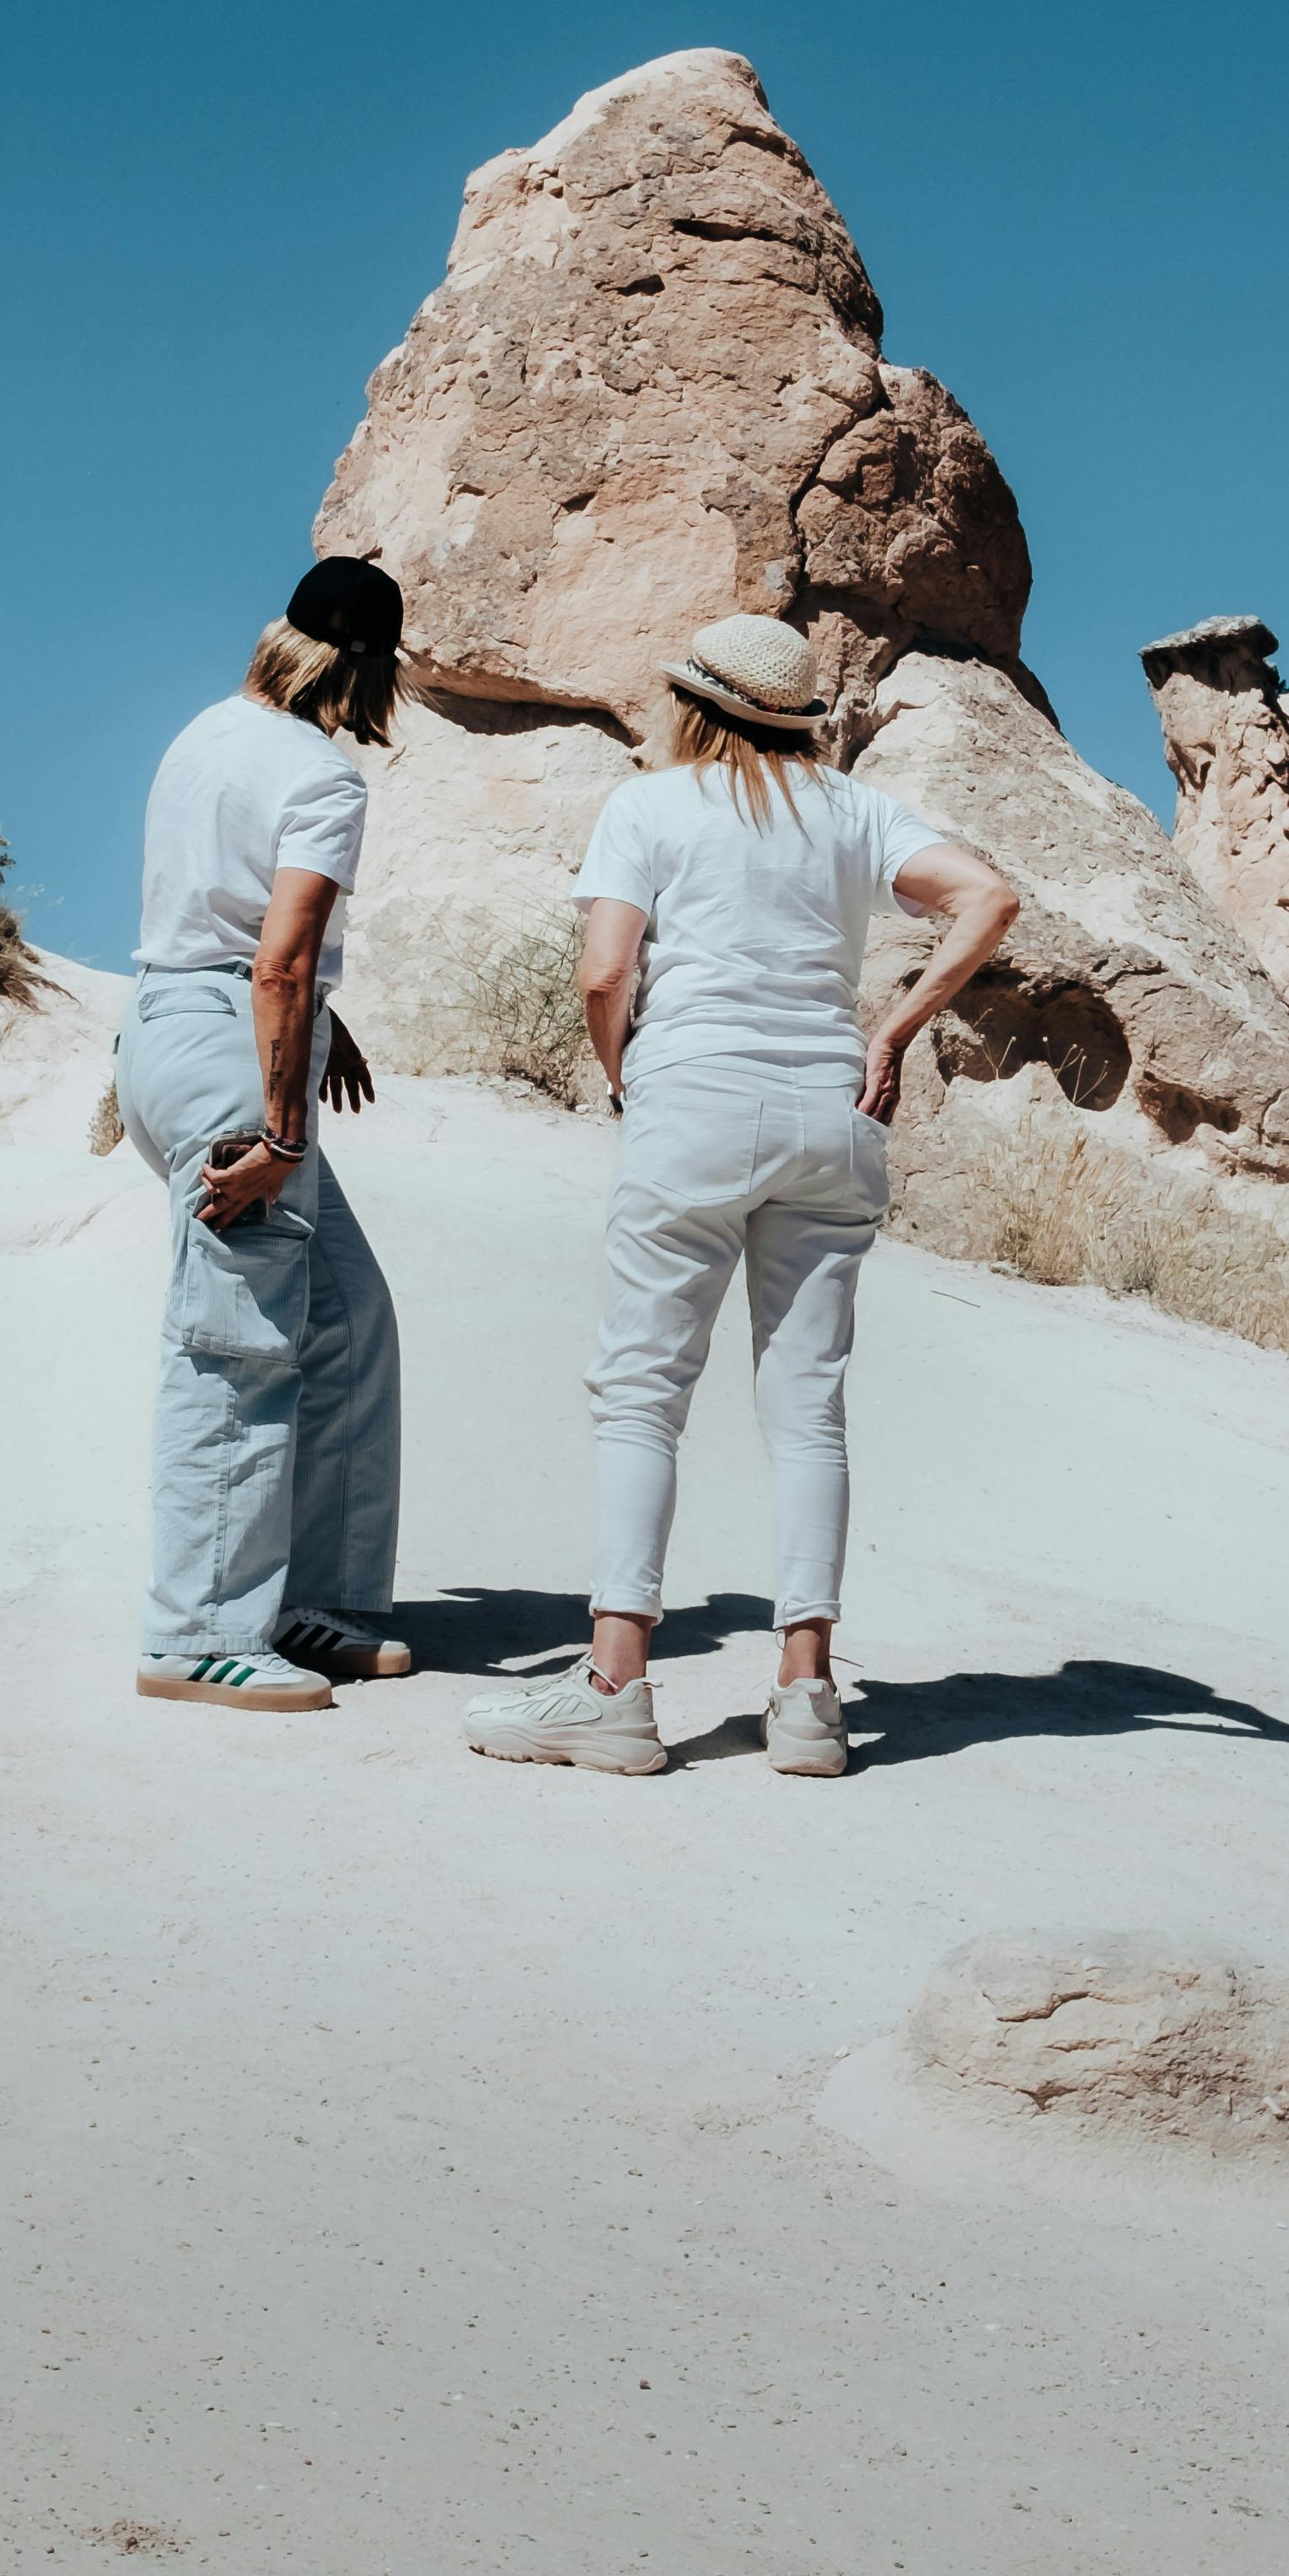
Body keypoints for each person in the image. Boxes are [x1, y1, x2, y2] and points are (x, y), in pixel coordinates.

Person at [468, 610, 1018, 1783]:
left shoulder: (649, 806)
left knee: (643, 1392)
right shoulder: (857, 811)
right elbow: (989, 897)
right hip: (834, 1109)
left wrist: (625, 1074)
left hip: (696, 1101)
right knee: (807, 1402)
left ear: (692, 704)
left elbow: (607, 968)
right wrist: (897, 1028)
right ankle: (809, 1697)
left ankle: (615, 1691)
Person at [114, 555, 412, 1710]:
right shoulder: (323, 778)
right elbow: (278, 957)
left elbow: (219, 918)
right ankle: (196, 1635)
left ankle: (299, 1600)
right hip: (234, 1059)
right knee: (238, 1351)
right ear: (370, 669)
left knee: (344, 1320)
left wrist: (318, 1026)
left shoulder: (204, 733)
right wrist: (283, 1126)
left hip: (166, 1036)